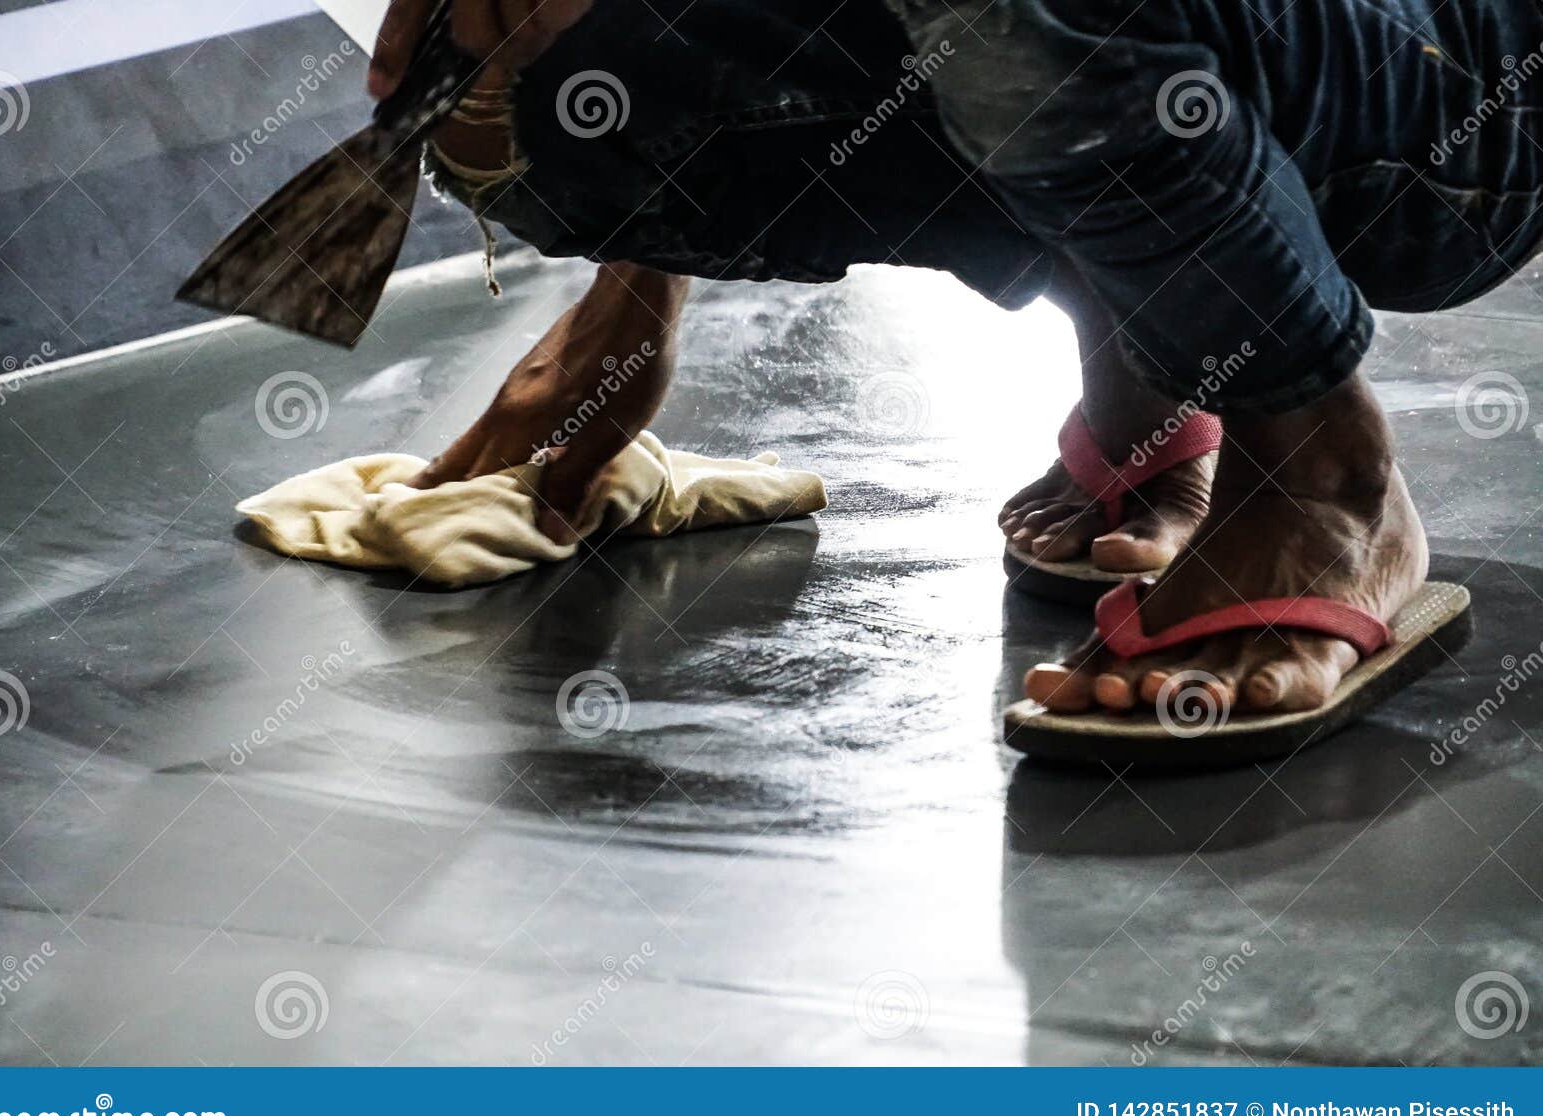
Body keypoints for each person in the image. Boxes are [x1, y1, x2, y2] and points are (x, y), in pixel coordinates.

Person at [370, 0, 1525, 722]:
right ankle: (1147, 318)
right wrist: (632, 283)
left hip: (1456, 71)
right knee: (495, 68)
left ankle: (1323, 473)